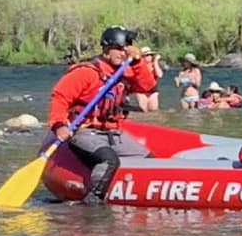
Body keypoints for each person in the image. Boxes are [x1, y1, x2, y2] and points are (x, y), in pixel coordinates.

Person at [48, 26, 156, 201]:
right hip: (84, 131)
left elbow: (147, 86)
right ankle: (93, 202)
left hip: (113, 133)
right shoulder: (85, 72)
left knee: (149, 159)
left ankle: (141, 195)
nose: (123, 53)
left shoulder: (124, 72)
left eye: (126, 49)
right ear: (106, 49)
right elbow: (60, 97)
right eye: (118, 49)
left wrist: (138, 63)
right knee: (108, 160)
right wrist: (59, 125)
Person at [130, 46, 164, 112]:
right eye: (147, 55)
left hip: (153, 91)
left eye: (150, 55)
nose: (149, 57)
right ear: (142, 57)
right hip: (141, 91)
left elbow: (160, 75)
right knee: (143, 111)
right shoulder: (139, 66)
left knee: (154, 111)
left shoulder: (154, 65)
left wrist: (155, 62)